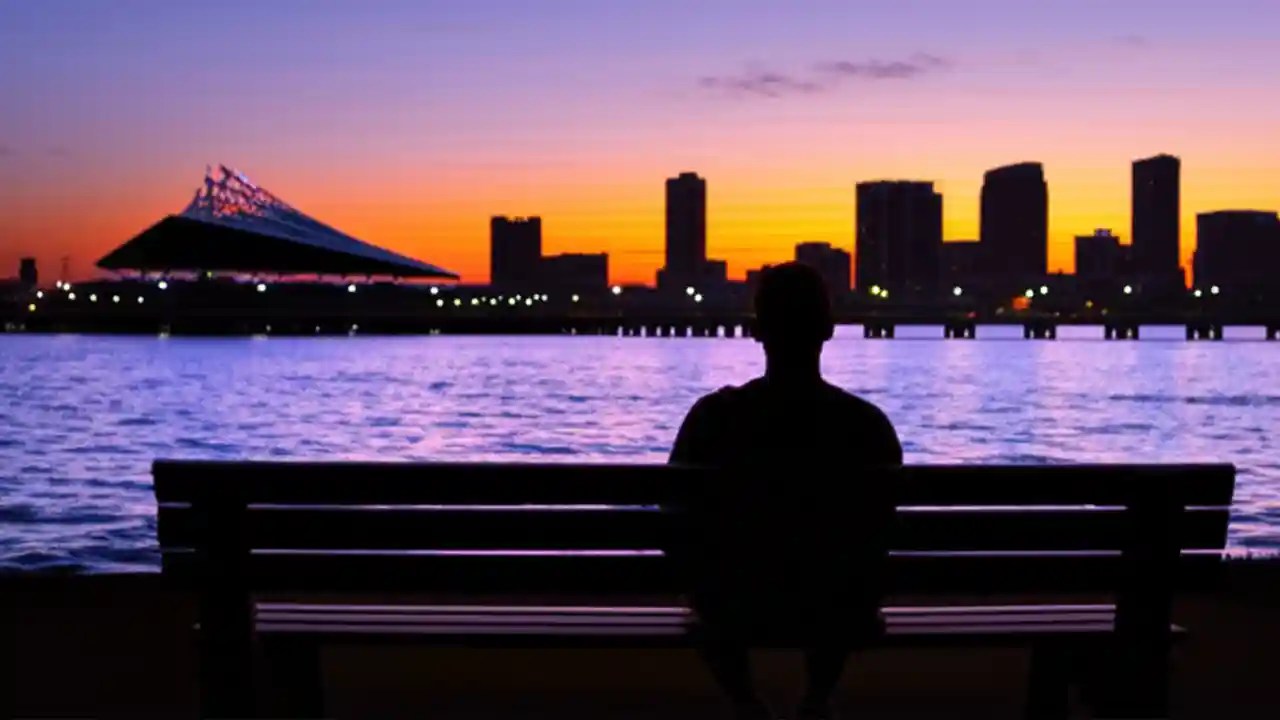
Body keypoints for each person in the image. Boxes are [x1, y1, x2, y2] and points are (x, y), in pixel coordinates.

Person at [668, 262, 903, 720]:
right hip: (836, 608)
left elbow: (672, 519)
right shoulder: (865, 424)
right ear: (829, 330)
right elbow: (880, 533)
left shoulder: (713, 417)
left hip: (732, 606)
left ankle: (746, 702)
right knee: (844, 571)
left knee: (707, 577)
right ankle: (816, 699)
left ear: (756, 331)